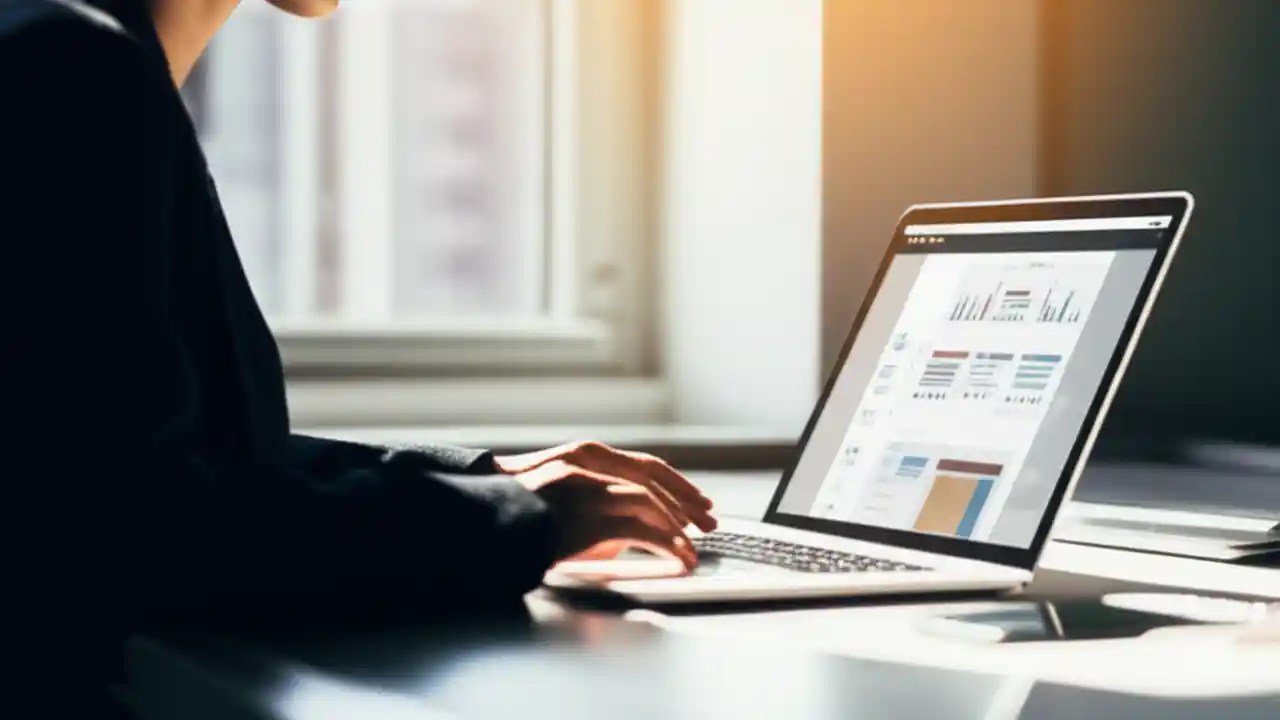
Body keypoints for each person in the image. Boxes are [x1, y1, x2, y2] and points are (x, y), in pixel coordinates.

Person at [0, 0, 715, 709]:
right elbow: (153, 530)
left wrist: (487, 478)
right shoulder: (75, 69)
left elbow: (160, 449)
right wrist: (517, 523)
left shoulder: (62, 46)